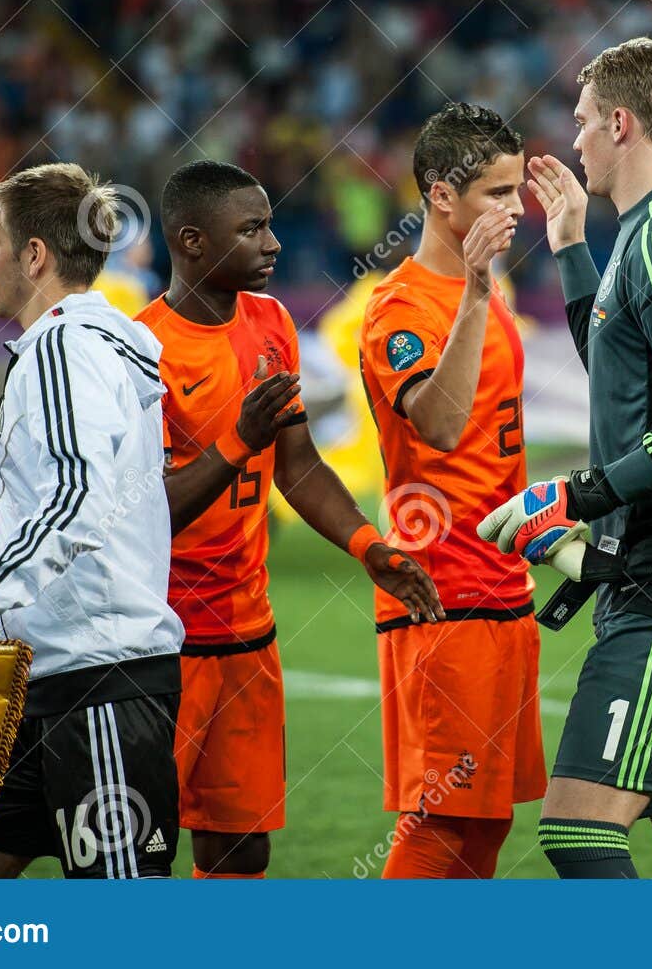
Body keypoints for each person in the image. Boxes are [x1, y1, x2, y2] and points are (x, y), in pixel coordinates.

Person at [481, 37, 652, 878]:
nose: (572, 141)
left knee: (578, 828)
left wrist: (578, 493)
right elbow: (622, 369)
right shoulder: (650, 237)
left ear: (620, 121)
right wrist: (570, 245)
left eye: (579, 122)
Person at [141, 159, 441, 879]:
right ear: (190, 241)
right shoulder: (140, 347)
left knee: (242, 847)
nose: (274, 242)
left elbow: (298, 464)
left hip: (248, 634)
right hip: (160, 642)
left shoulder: (271, 322)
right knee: (141, 851)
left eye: (270, 222)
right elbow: (148, 511)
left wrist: (368, 545)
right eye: (251, 229)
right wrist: (237, 438)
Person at [0, 163, 186, 879]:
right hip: (51, 678)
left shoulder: (63, 349)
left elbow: (74, 498)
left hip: (99, 681)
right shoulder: (97, 343)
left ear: (36, 255)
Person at [358, 104, 546, 878]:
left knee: (486, 826)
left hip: (503, 590)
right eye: (497, 193)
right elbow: (437, 425)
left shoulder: (489, 297)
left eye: (516, 190)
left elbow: (493, 448)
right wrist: (472, 294)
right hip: (443, 595)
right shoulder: (400, 308)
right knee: (438, 826)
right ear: (442, 198)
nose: (515, 209)